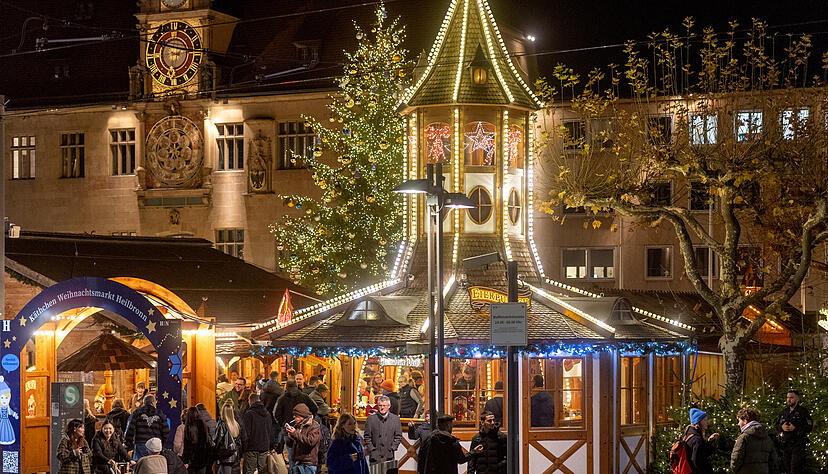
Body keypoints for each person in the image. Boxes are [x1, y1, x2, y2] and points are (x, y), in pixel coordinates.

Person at [731, 407, 777, 474]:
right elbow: (773, 459)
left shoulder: (744, 437)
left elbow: (736, 459)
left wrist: (736, 470)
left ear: (745, 421)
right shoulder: (767, 437)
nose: (738, 424)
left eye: (739, 421)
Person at [777, 389, 813, 474]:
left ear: (797, 399)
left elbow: (809, 427)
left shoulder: (803, 412)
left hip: (798, 444)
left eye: (791, 398)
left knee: (795, 468)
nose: (789, 400)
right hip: (786, 444)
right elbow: (776, 425)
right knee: (787, 468)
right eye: (787, 397)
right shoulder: (784, 412)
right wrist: (782, 427)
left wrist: (796, 428)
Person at [125, 394, 169, 460]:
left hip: (141, 444)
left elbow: (130, 429)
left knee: (141, 465)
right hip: (155, 445)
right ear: (153, 403)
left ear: (144, 402)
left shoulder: (137, 413)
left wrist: (129, 443)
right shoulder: (160, 414)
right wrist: (163, 444)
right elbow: (165, 431)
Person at [363, 395, 402, 466]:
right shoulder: (371, 419)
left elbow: (398, 436)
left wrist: (392, 448)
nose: (382, 408)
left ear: (389, 406)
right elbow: (367, 436)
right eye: (380, 405)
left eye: (384, 405)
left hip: (389, 455)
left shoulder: (395, 419)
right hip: (375, 456)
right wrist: (372, 449)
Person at [241, 393, 272, 474]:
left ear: (249, 401)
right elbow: (270, 431)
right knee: (262, 471)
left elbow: (245, 433)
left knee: (249, 471)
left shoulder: (249, 414)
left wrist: (244, 447)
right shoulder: (267, 414)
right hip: (264, 447)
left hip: (251, 448)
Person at [286, 403, 321, 474]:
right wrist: (290, 435)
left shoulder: (314, 426)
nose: (294, 417)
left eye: (296, 416)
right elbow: (290, 444)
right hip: (297, 461)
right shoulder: (297, 425)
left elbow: (310, 442)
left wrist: (295, 433)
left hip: (308, 463)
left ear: (302, 416)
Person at [684, 408, 719, 474]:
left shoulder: (689, 434)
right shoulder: (697, 439)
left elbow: (701, 453)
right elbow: (696, 461)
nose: (707, 422)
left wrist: (709, 441)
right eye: (705, 420)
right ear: (699, 422)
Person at [214, 400, 244, 474]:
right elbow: (240, 441)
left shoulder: (222, 425)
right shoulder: (236, 425)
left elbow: (217, 441)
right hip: (235, 456)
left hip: (225, 457)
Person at [181, 406, 211, 474]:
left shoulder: (188, 427)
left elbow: (187, 446)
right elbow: (206, 441)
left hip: (192, 460)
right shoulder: (203, 425)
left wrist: (185, 460)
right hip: (202, 458)